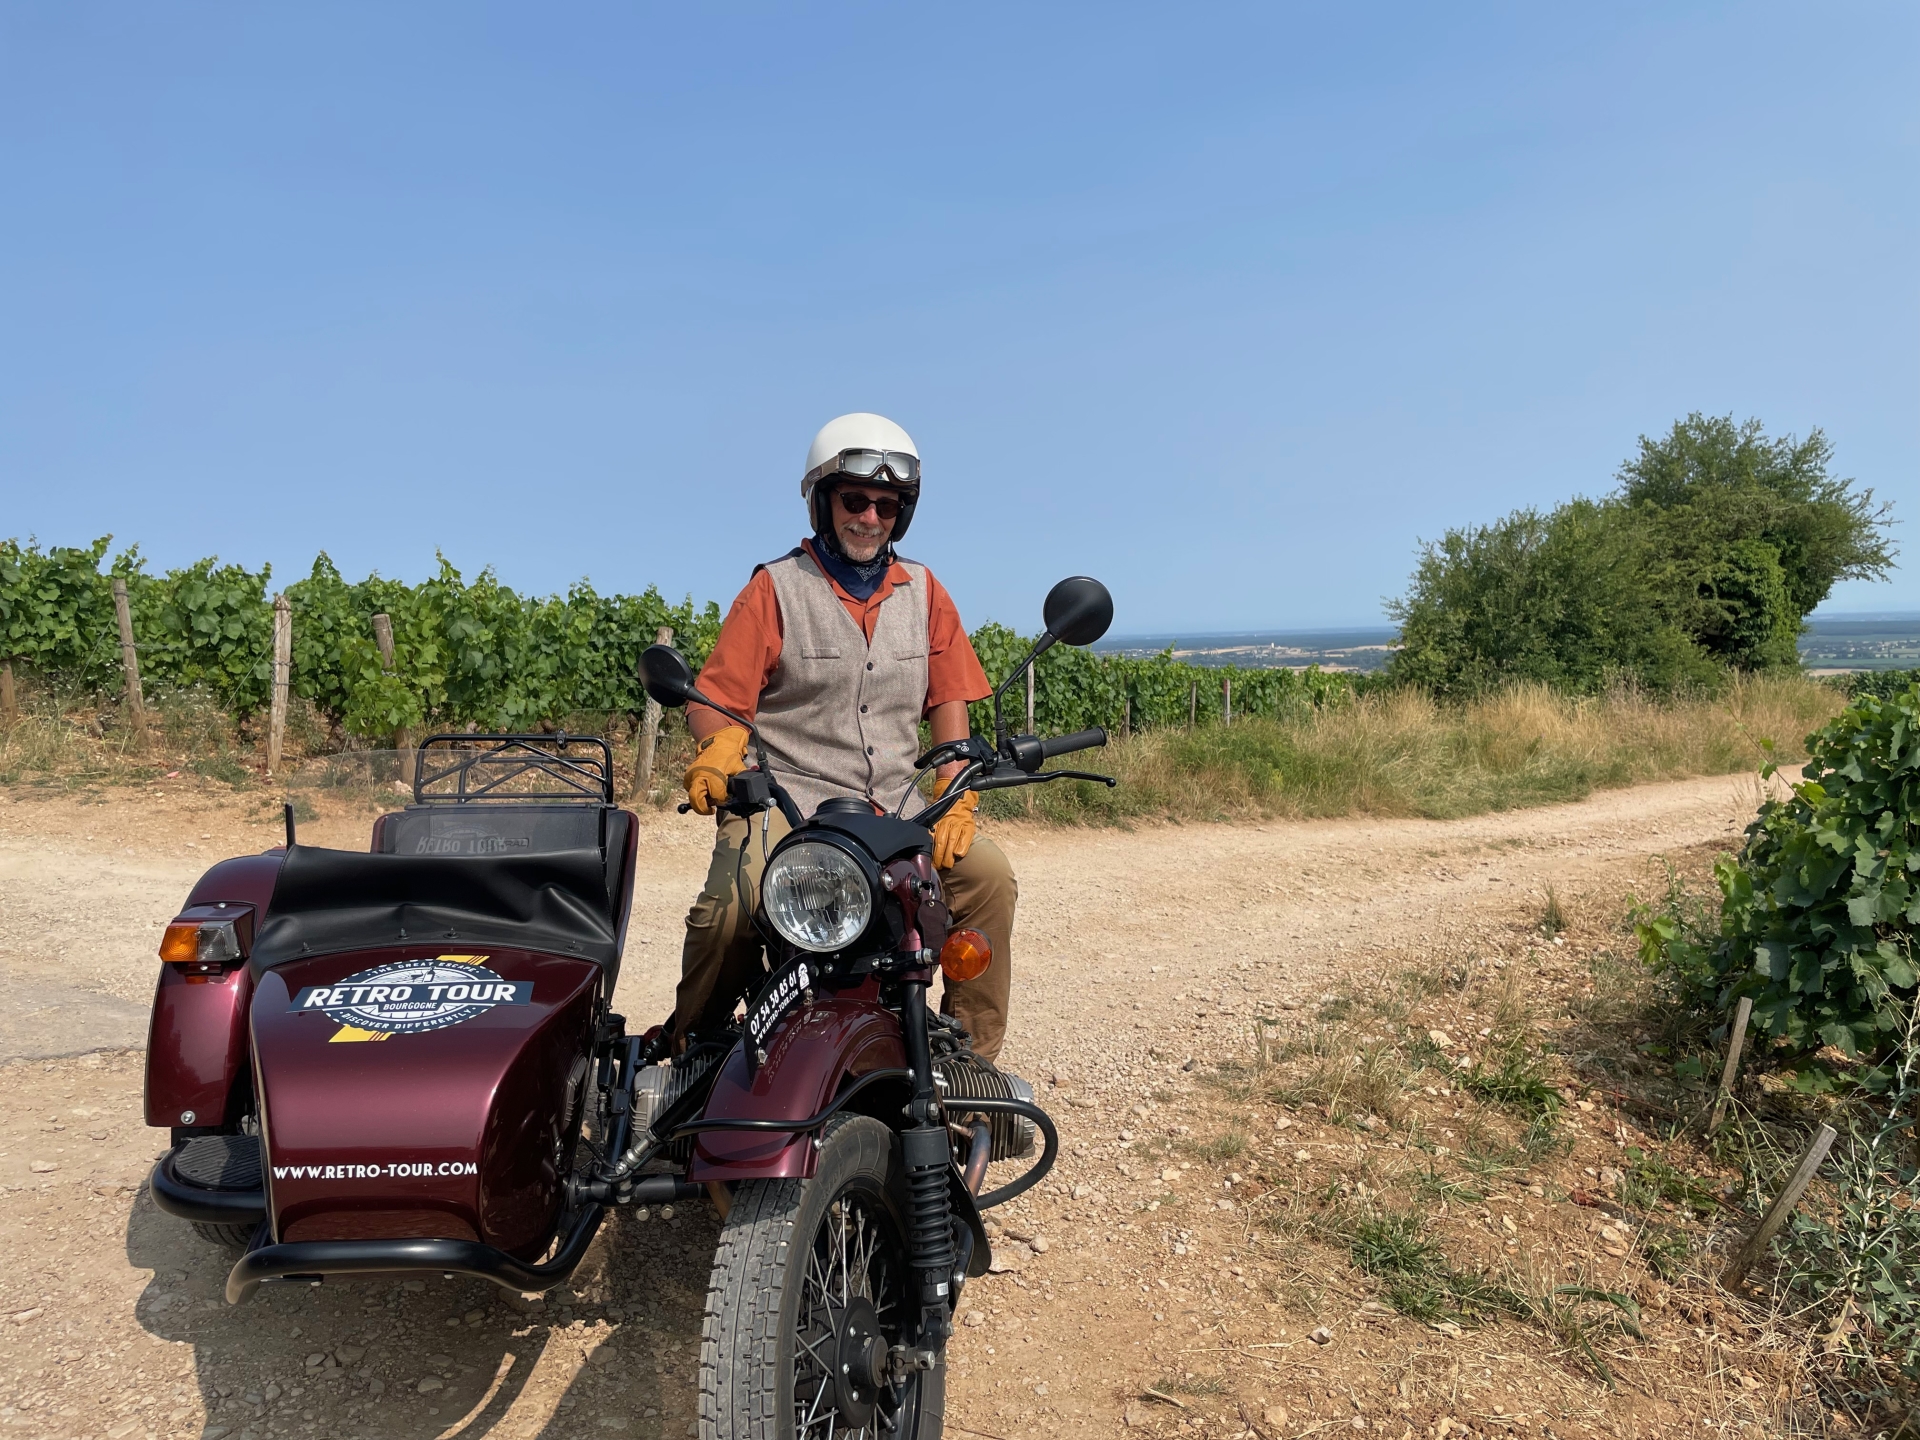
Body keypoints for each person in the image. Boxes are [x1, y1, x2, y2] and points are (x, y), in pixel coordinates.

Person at [669, 412, 1019, 1062]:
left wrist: (957, 792)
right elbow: (717, 700)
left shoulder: (926, 592)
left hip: (897, 805)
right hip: (788, 802)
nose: (869, 517)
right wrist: (719, 750)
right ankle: (694, 1046)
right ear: (823, 501)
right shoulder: (775, 589)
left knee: (989, 877)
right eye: (855, 500)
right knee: (731, 908)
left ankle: (968, 1065)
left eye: (886, 506)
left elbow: (949, 697)